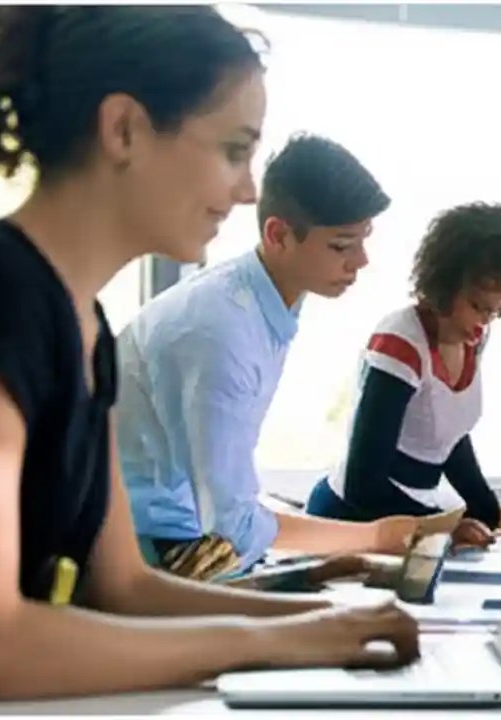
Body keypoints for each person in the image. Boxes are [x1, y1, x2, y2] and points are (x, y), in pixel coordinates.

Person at [0, 7, 416, 712]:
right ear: (124, 129)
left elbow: (124, 587)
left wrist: (321, 622)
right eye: (233, 151)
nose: (247, 190)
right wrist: (275, 640)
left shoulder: (87, 328)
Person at [117, 132, 417, 574]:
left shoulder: (261, 304)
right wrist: (377, 537)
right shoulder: (221, 330)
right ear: (278, 235)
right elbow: (232, 527)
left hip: (182, 534)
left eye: (363, 239)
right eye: (341, 245)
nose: (361, 260)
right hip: (147, 554)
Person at [306, 202, 501, 546]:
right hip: (353, 522)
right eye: (477, 306)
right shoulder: (400, 342)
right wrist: (448, 526)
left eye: (496, 310)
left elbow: (446, 438)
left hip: (412, 520)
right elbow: (364, 485)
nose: (484, 321)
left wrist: (488, 512)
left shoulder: (472, 338)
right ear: (445, 287)